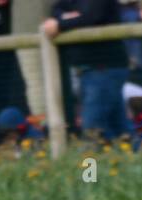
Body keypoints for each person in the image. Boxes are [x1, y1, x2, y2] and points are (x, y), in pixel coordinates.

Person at [44, 0, 130, 139]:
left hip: (104, 67)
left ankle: (93, 160)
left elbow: (91, 16)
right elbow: (56, 10)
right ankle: (134, 156)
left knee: (92, 128)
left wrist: (61, 23)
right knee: (119, 129)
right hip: (90, 70)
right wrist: (72, 18)